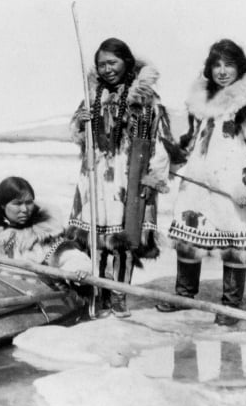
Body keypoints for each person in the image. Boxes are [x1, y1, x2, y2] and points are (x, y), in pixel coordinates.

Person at [160, 39, 246, 324]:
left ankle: (230, 306)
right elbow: (195, 139)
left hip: (232, 185)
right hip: (199, 181)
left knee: (235, 237)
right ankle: (184, 295)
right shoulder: (205, 103)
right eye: (216, 65)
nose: (222, 71)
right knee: (189, 234)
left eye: (229, 65)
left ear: (241, 67)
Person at [67, 38, 173, 317]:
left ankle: (118, 295)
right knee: (96, 238)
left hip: (127, 177)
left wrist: (152, 176)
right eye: (102, 64)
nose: (107, 69)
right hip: (96, 176)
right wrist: (81, 123)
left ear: (126, 62)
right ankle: (98, 293)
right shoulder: (92, 96)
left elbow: (160, 142)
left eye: (112, 62)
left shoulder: (145, 100)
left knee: (123, 238)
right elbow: (78, 135)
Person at [0, 176, 91, 275]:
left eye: (29, 202)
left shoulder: (46, 235)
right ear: (2, 205)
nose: (25, 209)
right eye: (17, 204)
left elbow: (70, 257)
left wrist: (79, 269)